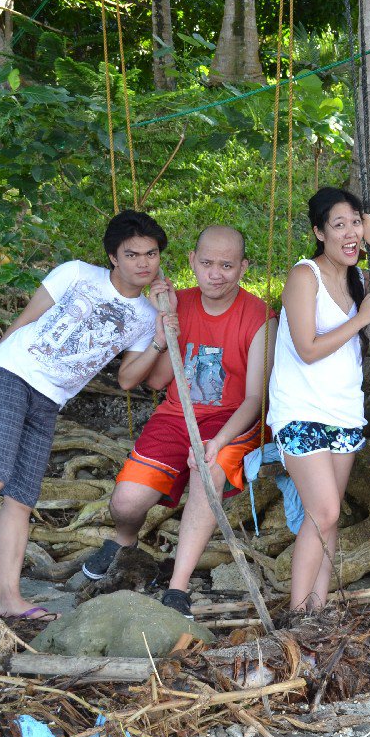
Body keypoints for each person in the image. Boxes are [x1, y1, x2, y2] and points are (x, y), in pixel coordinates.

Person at [0, 211, 164, 629]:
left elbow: (130, 379)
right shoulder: (77, 274)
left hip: (50, 399)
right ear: (113, 256)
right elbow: (25, 318)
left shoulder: (146, 317)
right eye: (132, 254)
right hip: (11, 374)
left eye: (151, 254)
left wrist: (161, 340)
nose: (143, 263)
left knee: (22, 496)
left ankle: (7, 595)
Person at [78, 226, 277, 618]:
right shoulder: (177, 305)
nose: (215, 273)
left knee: (209, 471)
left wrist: (219, 441)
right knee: (126, 501)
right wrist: (168, 327)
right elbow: (155, 381)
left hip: (232, 422)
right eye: (206, 263)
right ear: (192, 262)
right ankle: (125, 542)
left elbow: (255, 398)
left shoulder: (261, 317)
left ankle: (178, 585)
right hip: (176, 417)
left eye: (226, 265)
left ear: (243, 268)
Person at [266, 187, 370, 613]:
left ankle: (317, 610)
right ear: (319, 232)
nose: (350, 233)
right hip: (300, 410)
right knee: (324, 513)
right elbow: (306, 347)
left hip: (344, 413)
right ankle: (296, 613)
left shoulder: (358, 277)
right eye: (339, 224)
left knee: (328, 521)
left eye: (355, 223)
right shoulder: (304, 275)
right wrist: (362, 318)